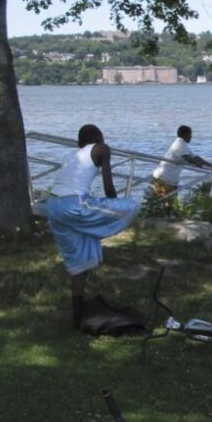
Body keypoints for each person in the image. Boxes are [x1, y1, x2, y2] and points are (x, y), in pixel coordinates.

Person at [45, 124, 141, 330]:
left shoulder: (72, 156)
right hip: (73, 205)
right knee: (132, 206)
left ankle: (78, 314)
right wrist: (115, 203)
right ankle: (101, 232)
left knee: (78, 261)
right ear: (98, 138)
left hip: (52, 207)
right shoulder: (102, 148)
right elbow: (108, 185)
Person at [152, 125, 212, 196]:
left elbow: (195, 157)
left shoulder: (183, 144)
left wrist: (209, 164)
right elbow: (187, 158)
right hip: (165, 178)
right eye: (190, 134)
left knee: (167, 201)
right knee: (168, 202)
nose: (191, 137)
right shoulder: (179, 144)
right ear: (185, 134)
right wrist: (197, 164)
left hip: (167, 177)